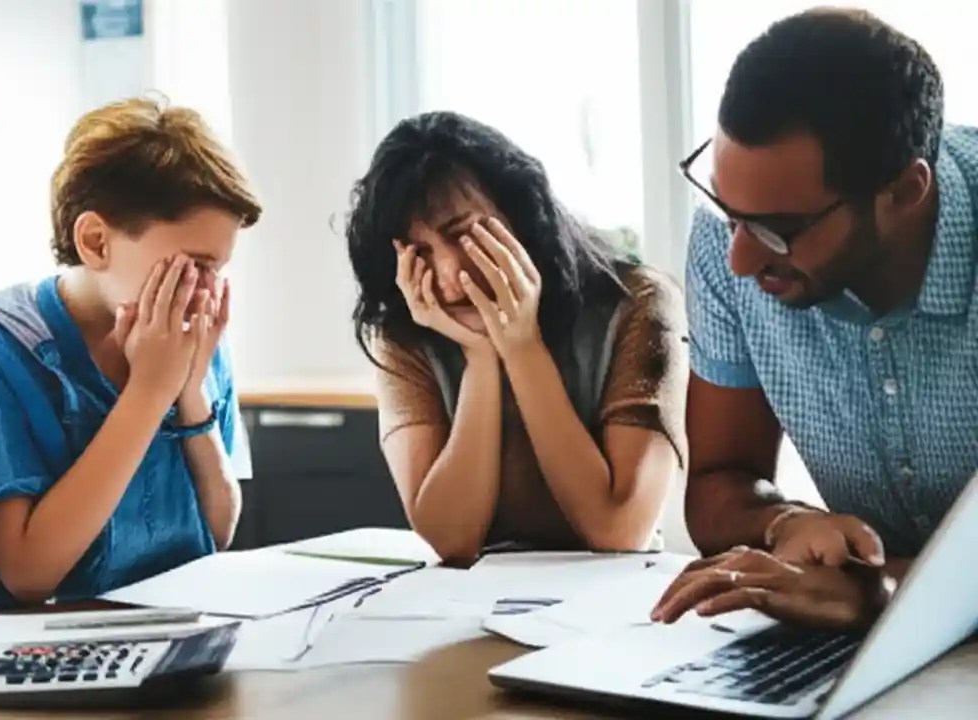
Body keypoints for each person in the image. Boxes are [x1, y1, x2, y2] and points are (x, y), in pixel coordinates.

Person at [652, 8, 978, 630]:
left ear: (905, 192)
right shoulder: (728, 249)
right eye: (728, 210)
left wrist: (880, 591)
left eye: (779, 230)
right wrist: (786, 523)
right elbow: (721, 481)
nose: (740, 259)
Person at [0, 98, 258, 616]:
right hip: (30, 657)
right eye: (194, 264)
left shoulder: (187, 332)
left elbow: (216, 531)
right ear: (95, 241)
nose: (206, 289)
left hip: (165, 632)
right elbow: (28, 574)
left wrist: (189, 392)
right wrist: (150, 391)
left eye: (218, 267)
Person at [345, 111, 689, 563]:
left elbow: (618, 528)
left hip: (612, 593)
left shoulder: (638, 302)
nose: (450, 280)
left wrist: (522, 347)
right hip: (472, 600)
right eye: (420, 252)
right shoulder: (408, 328)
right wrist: (481, 360)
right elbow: (452, 540)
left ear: (520, 215)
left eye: (464, 234)